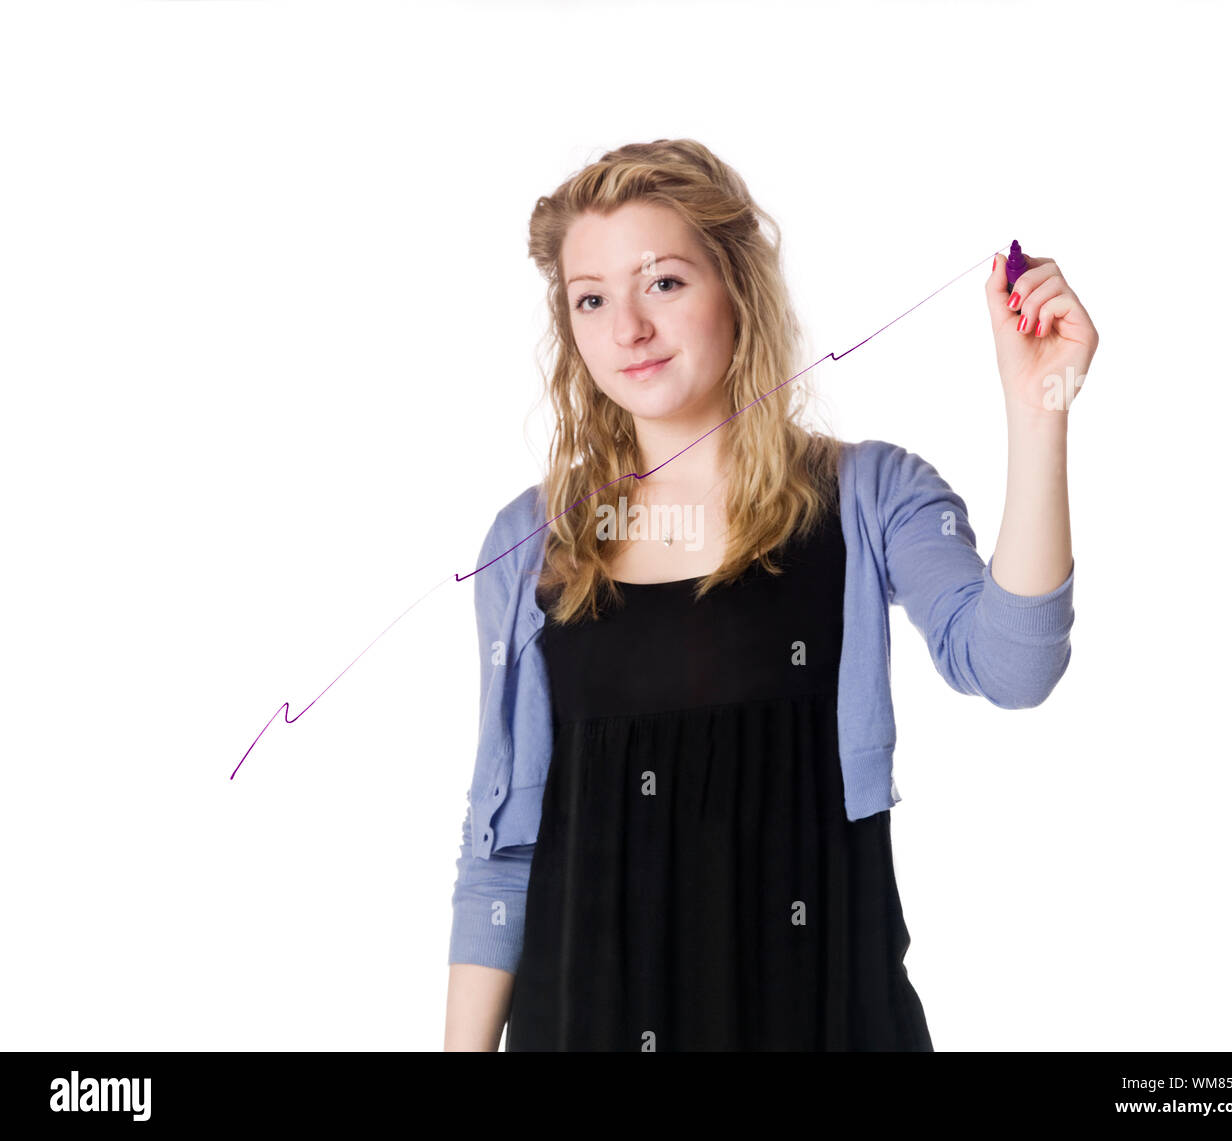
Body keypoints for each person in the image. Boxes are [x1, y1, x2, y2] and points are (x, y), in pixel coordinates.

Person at [444, 138, 1095, 1051]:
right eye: (590, 299)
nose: (627, 327)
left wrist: (1039, 413)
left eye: (663, 282)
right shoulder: (530, 543)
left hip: (824, 1019)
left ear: (737, 287)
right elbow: (499, 858)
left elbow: (1015, 666)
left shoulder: (873, 496)